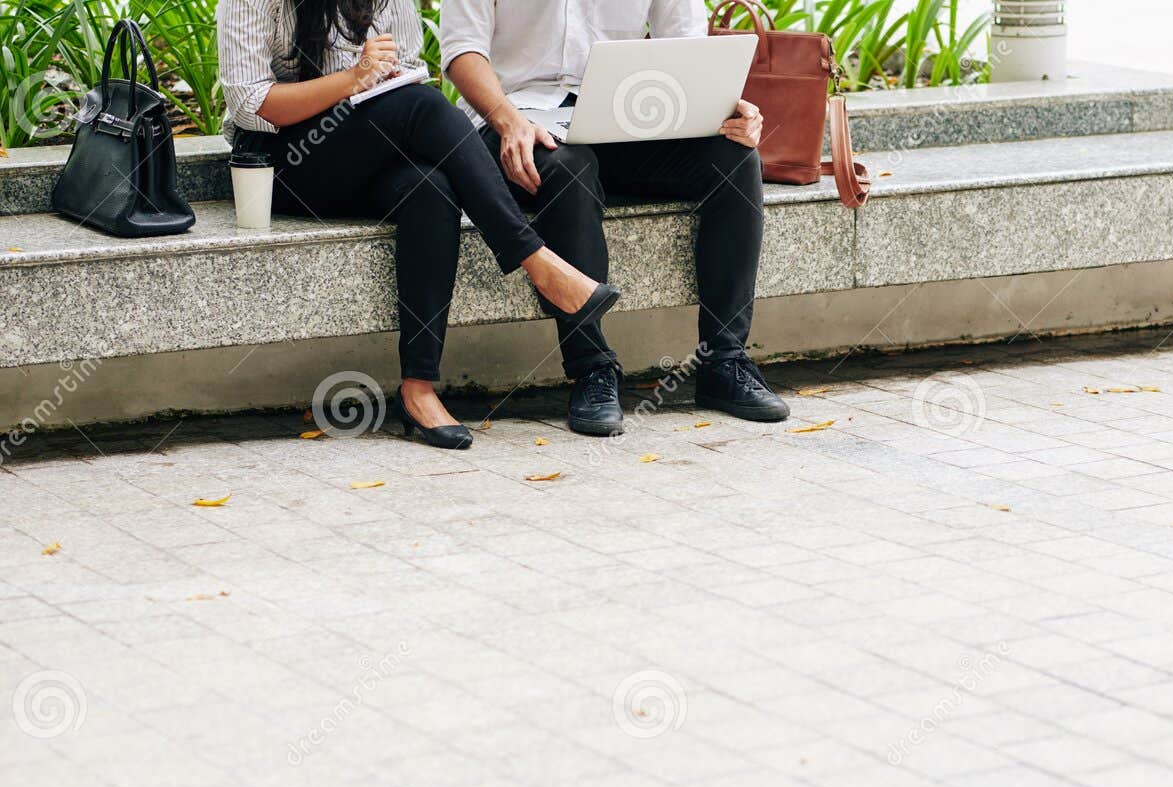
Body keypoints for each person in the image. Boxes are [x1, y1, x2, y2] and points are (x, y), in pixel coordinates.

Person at [217, 0, 622, 450]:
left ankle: (418, 389)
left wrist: (381, 79)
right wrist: (352, 79)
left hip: (362, 144)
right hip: (284, 160)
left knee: (430, 187)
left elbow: (409, 68)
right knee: (424, 107)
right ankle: (536, 260)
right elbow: (251, 104)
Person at [442, 0, 790, 437]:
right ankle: (592, 369)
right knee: (569, 168)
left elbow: (688, 48)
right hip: (515, 118)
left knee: (736, 157)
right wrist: (508, 121)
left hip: (624, 117)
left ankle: (724, 360)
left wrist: (728, 110)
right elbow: (462, 51)